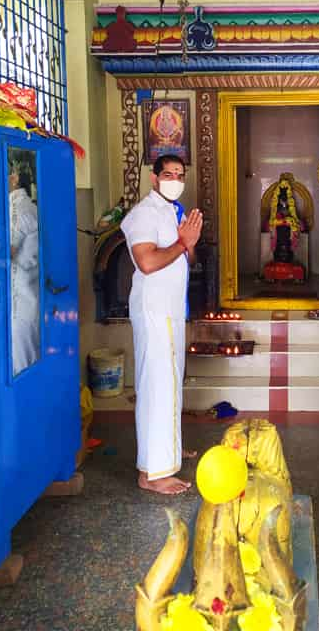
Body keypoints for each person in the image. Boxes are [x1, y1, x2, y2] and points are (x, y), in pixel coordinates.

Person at [121, 155, 204, 495]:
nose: (174, 179)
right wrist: (183, 243)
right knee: (157, 385)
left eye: (180, 175)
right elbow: (147, 261)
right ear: (154, 178)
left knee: (170, 383)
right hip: (154, 310)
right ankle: (152, 473)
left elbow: (187, 256)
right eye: (168, 174)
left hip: (171, 310)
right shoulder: (142, 215)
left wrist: (189, 244)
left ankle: (168, 447)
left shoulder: (174, 212)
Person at [8, 167, 40, 372]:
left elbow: (5, 252)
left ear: (15, 177)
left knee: (21, 364)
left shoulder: (17, 209)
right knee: (30, 358)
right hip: (30, 296)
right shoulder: (29, 207)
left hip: (19, 301)